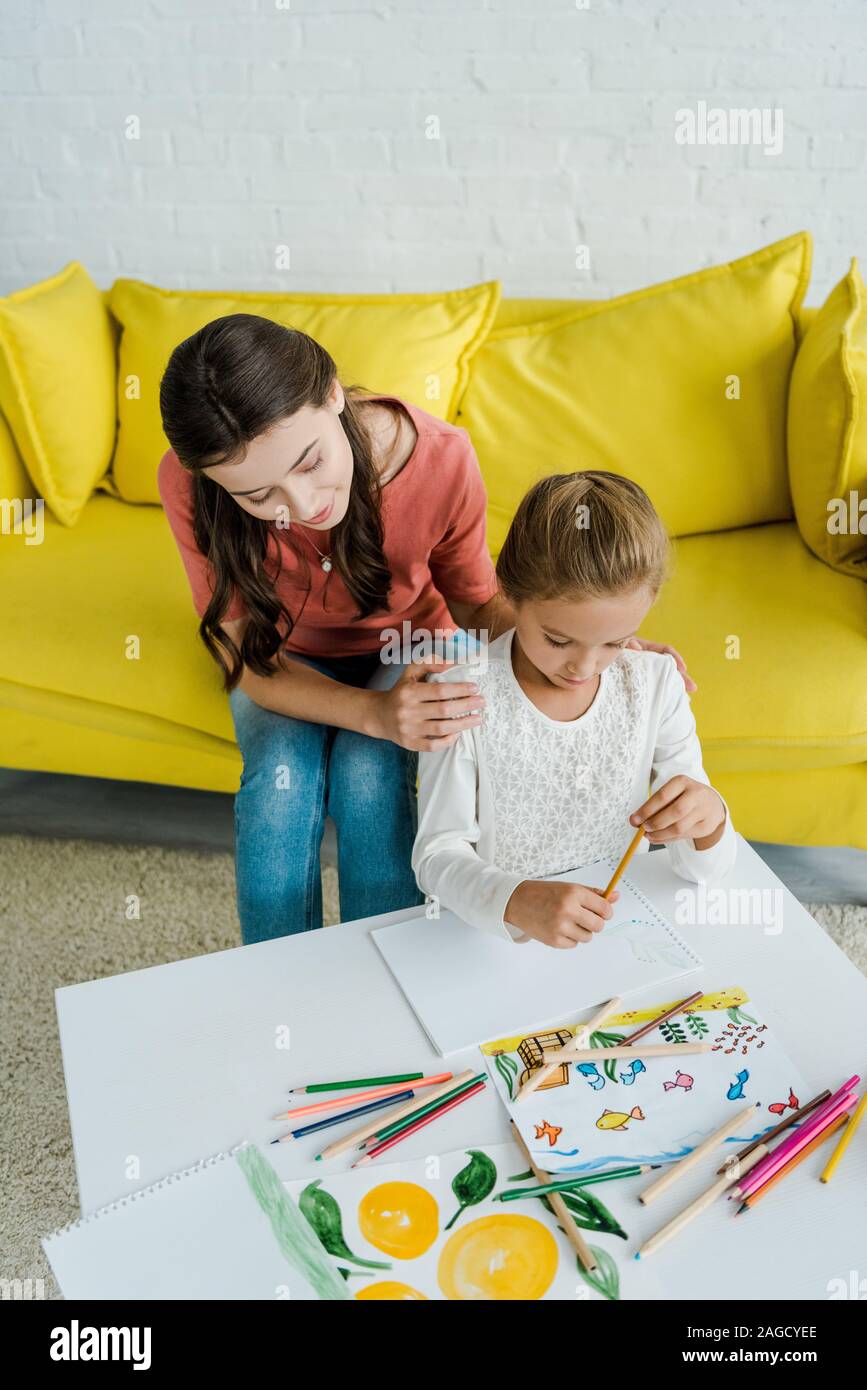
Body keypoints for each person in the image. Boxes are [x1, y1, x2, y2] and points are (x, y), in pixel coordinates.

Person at [158, 314, 693, 943]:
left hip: (412, 644)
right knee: (279, 790)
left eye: (309, 463)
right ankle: (281, 991)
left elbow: (476, 606)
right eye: (258, 496)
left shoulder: (440, 458)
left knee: (369, 774)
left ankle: (387, 975)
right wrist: (373, 713)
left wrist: (587, 640)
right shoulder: (190, 482)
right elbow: (245, 657)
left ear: (332, 395)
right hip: (285, 660)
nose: (302, 508)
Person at [412, 470, 736, 947]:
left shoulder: (655, 682)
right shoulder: (461, 696)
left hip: (620, 929)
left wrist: (711, 819)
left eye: (614, 642)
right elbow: (437, 857)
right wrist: (517, 899)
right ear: (509, 592)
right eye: (558, 640)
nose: (584, 667)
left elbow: (702, 870)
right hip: (494, 940)